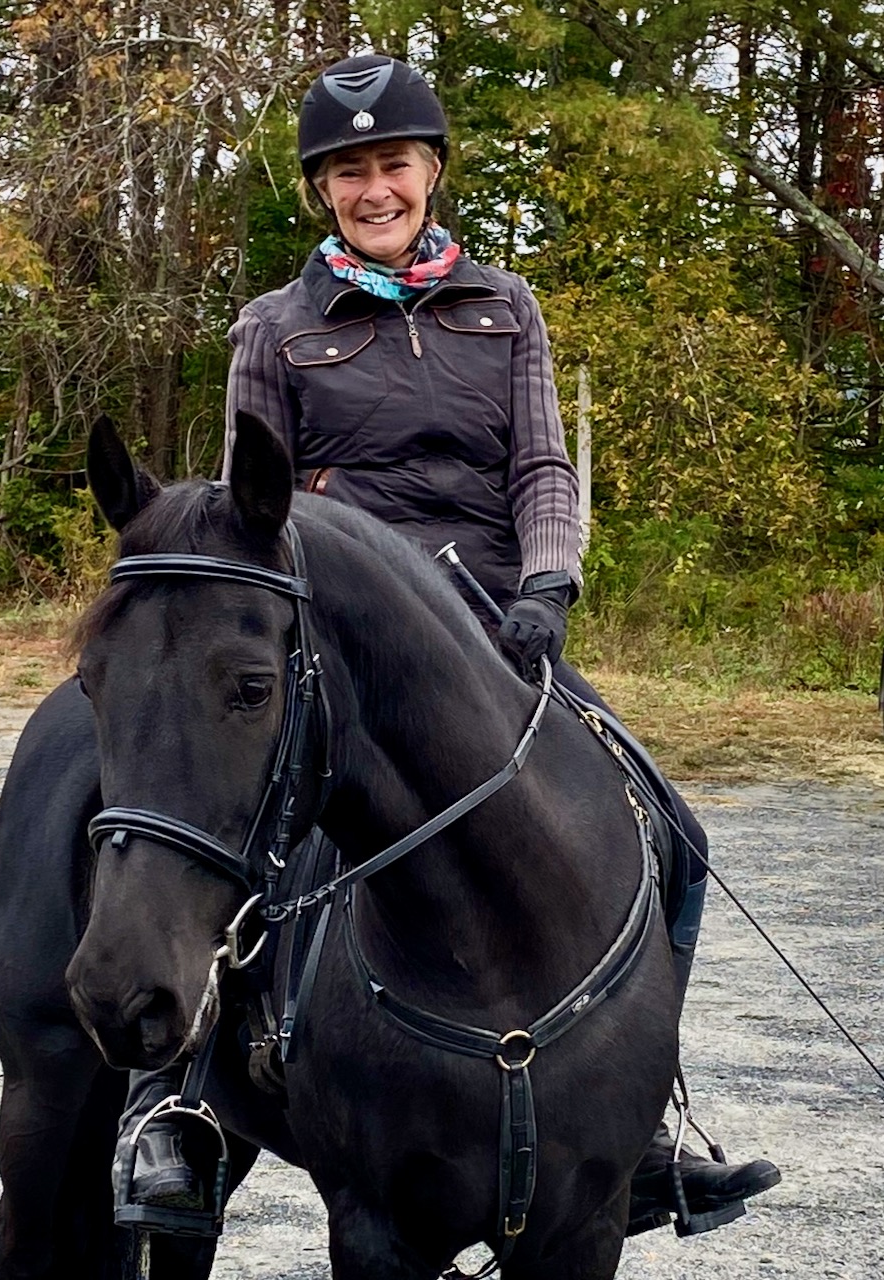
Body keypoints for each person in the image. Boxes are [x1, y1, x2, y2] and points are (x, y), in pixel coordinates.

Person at [114, 52, 779, 1238]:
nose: (374, 188)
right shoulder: (275, 325)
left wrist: (548, 584)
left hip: (490, 631)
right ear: (322, 188)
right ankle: (184, 1104)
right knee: (250, 830)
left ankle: (634, 1123)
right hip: (342, 634)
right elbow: (245, 507)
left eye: (393, 164)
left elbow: (538, 466)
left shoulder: (502, 305)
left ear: (429, 172)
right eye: (348, 171)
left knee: (670, 829)